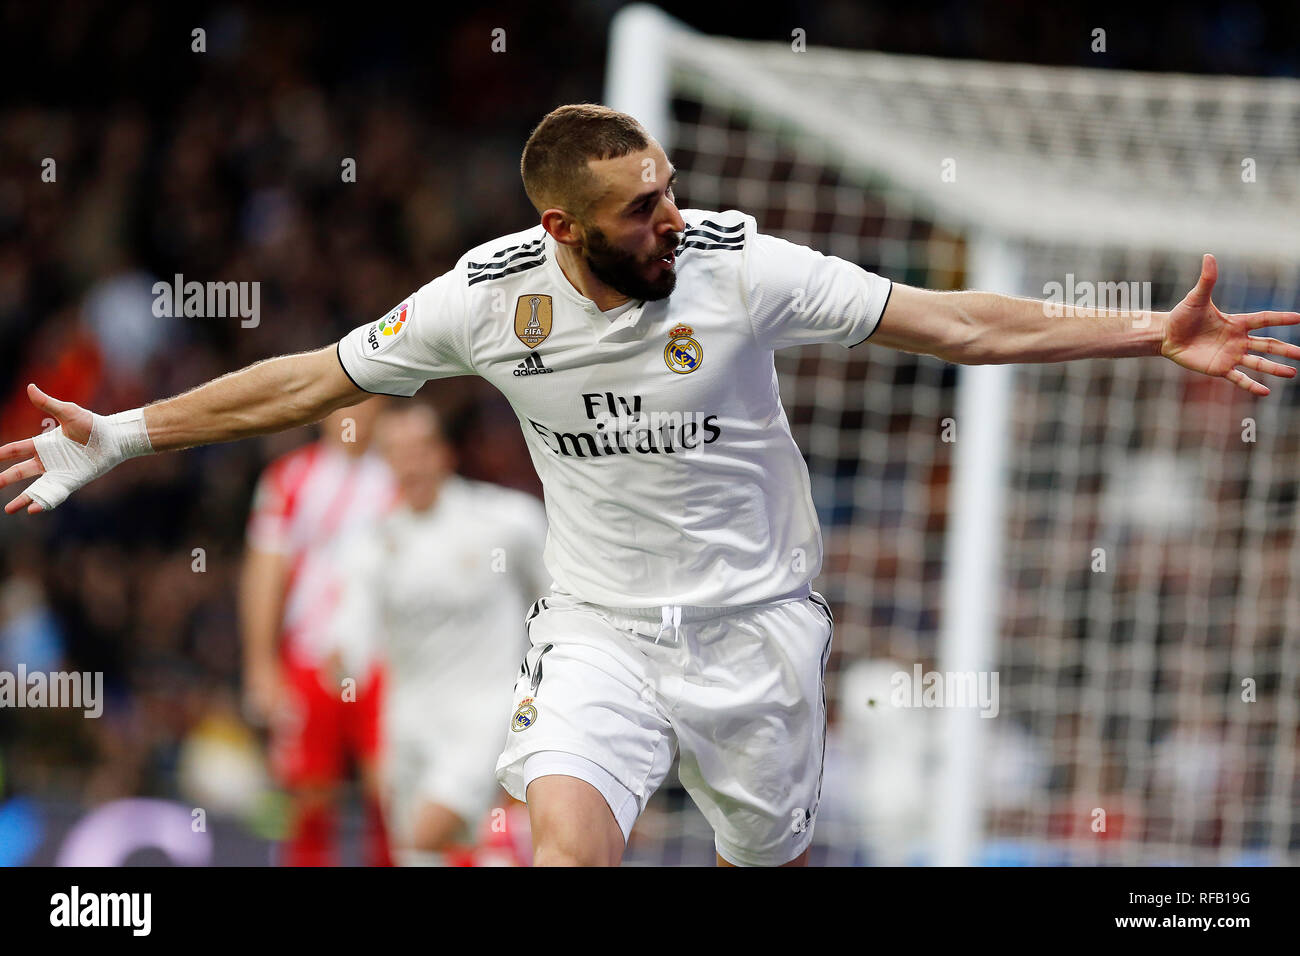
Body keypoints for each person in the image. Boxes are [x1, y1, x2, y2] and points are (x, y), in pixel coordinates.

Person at [3, 103, 1299, 867]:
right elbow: (311, 382)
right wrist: (124, 435)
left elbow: (955, 325)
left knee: (763, 858)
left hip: (760, 629)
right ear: (563, 228)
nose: (671, 217)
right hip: (601, 635)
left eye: (668, 192)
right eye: (638, 209)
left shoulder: (744, 269)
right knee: (567, 846)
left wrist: (1144, 332)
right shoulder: (487, 298)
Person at [327, 402, 548, 864]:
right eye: (396, 452)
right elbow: (354, 627)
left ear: (445, 453)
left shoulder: (507, 522)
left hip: (485, 714)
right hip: (406, 722)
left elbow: (557, 597)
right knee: (421, 853)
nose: (411, 463)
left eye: (421, 449)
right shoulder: (372, 542)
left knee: (429, 830)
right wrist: (341, 660)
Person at [239, 398, 397, 866]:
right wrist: (260, 665)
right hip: (308, 656)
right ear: (324, 409)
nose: (359, 417)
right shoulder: (289, 479)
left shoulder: (399, 478)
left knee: (391, 793)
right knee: (308, 799)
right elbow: (265, 573)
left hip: (384, 661)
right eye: (349, 404)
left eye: (371, 405)